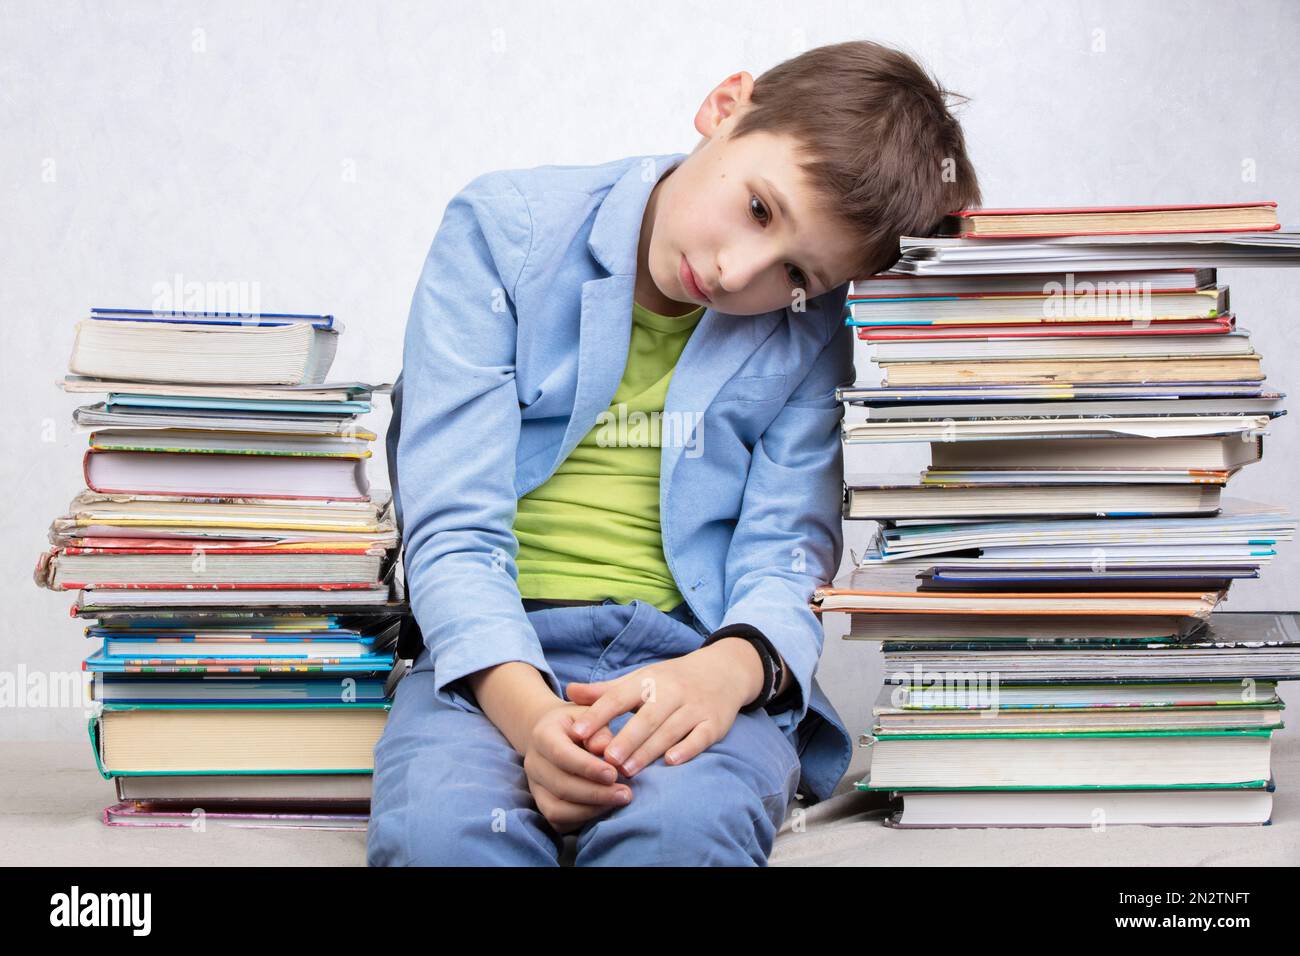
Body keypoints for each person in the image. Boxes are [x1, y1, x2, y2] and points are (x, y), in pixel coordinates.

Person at [368, 39, 981, 866]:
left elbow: (788, 553)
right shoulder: (502, 233)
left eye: (796, 271)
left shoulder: (811, 331)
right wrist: (533, 719)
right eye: (761, 208)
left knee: (681, 835)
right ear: (725, 107)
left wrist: (725, 675)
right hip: (491, 661)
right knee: (445, 836)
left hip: (691, 662)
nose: (739, 272)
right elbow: (450, 529)